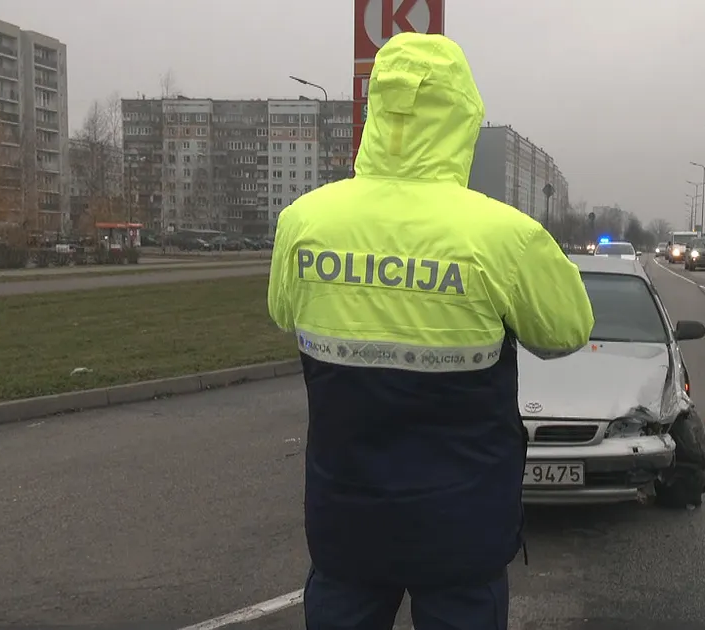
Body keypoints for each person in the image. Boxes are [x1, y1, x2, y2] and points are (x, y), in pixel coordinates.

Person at [266, 32, 594, 630]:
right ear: (463, 118)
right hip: (462, 528)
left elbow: (284, 313)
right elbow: (567, 330)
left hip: (346, 522)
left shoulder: (304, 222)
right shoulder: (504, 236)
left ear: (376, 114)